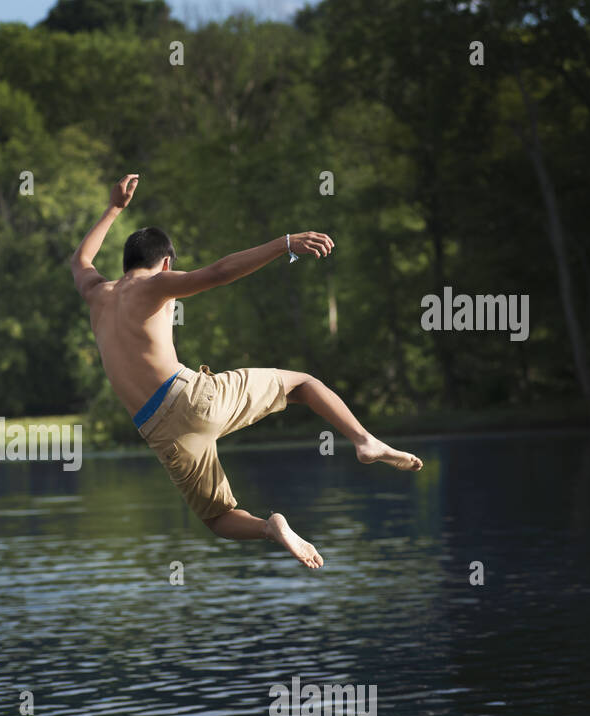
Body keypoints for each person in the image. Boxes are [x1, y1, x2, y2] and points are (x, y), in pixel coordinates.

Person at [70, 174, 422, 569]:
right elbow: (218, 273)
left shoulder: (96, 294)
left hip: (158, 431)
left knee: (218, 519)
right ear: (166, 262)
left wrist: (113, 207)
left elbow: (80, 260)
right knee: (303, 384)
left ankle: (270, 528)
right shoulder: (157, 283)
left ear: (126, 262)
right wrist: (284, 244)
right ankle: (364, 441)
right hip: (190, 397)